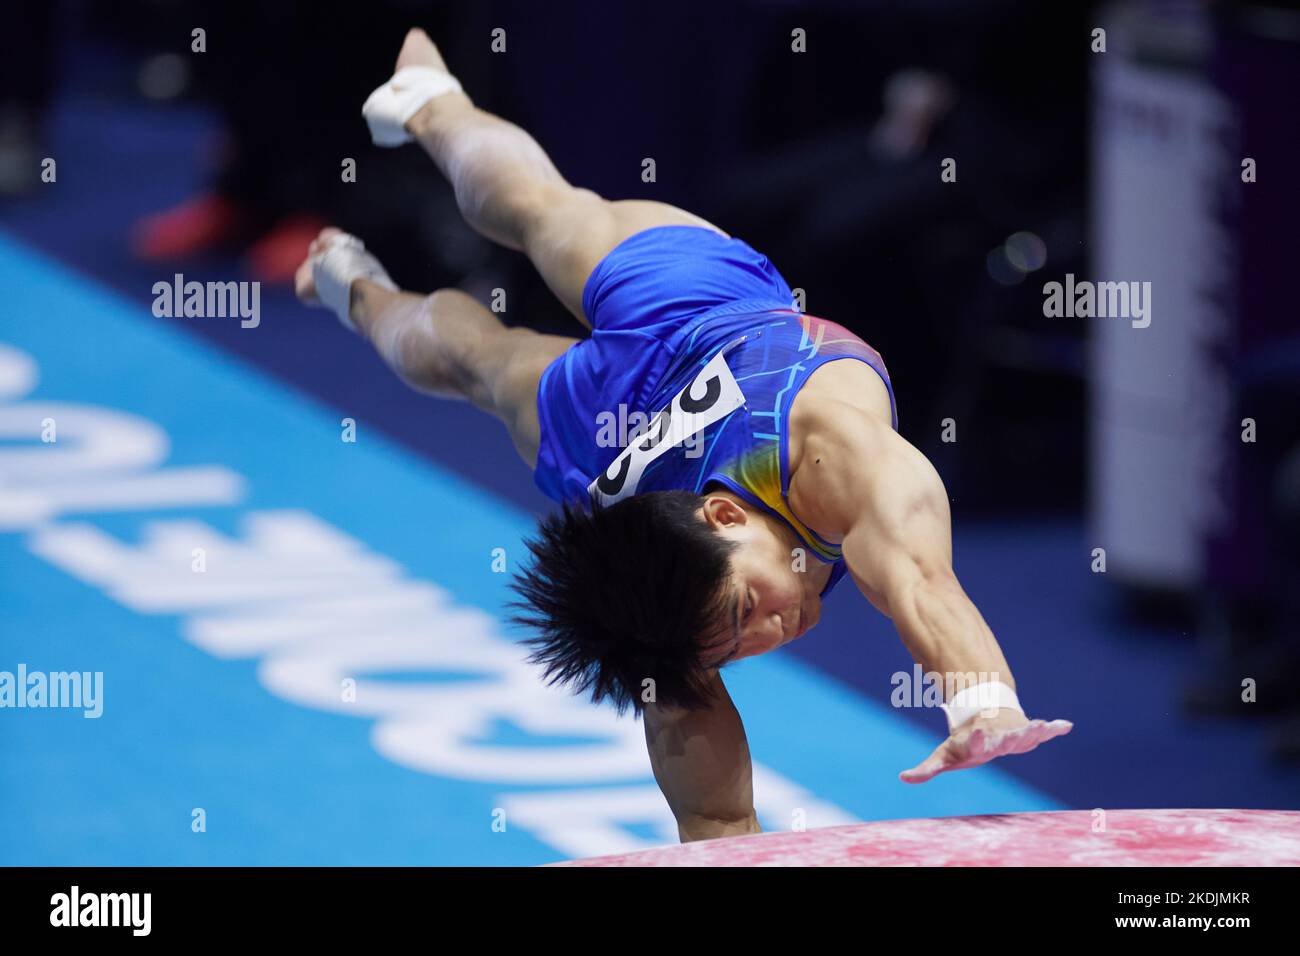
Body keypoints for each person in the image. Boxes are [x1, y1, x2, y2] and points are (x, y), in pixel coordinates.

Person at [295, 28, 1071, 842]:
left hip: (693, 310)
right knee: (475, 358)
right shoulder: (678, 619)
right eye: (736, 641)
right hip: (616, 442)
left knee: (543, 218)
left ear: (726, 517)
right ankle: (385, 223)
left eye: (745, 611)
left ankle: (406, 162)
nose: (771, 633)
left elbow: (920, 581)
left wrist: (982, 702)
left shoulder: (829, 452)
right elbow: (717, 814)